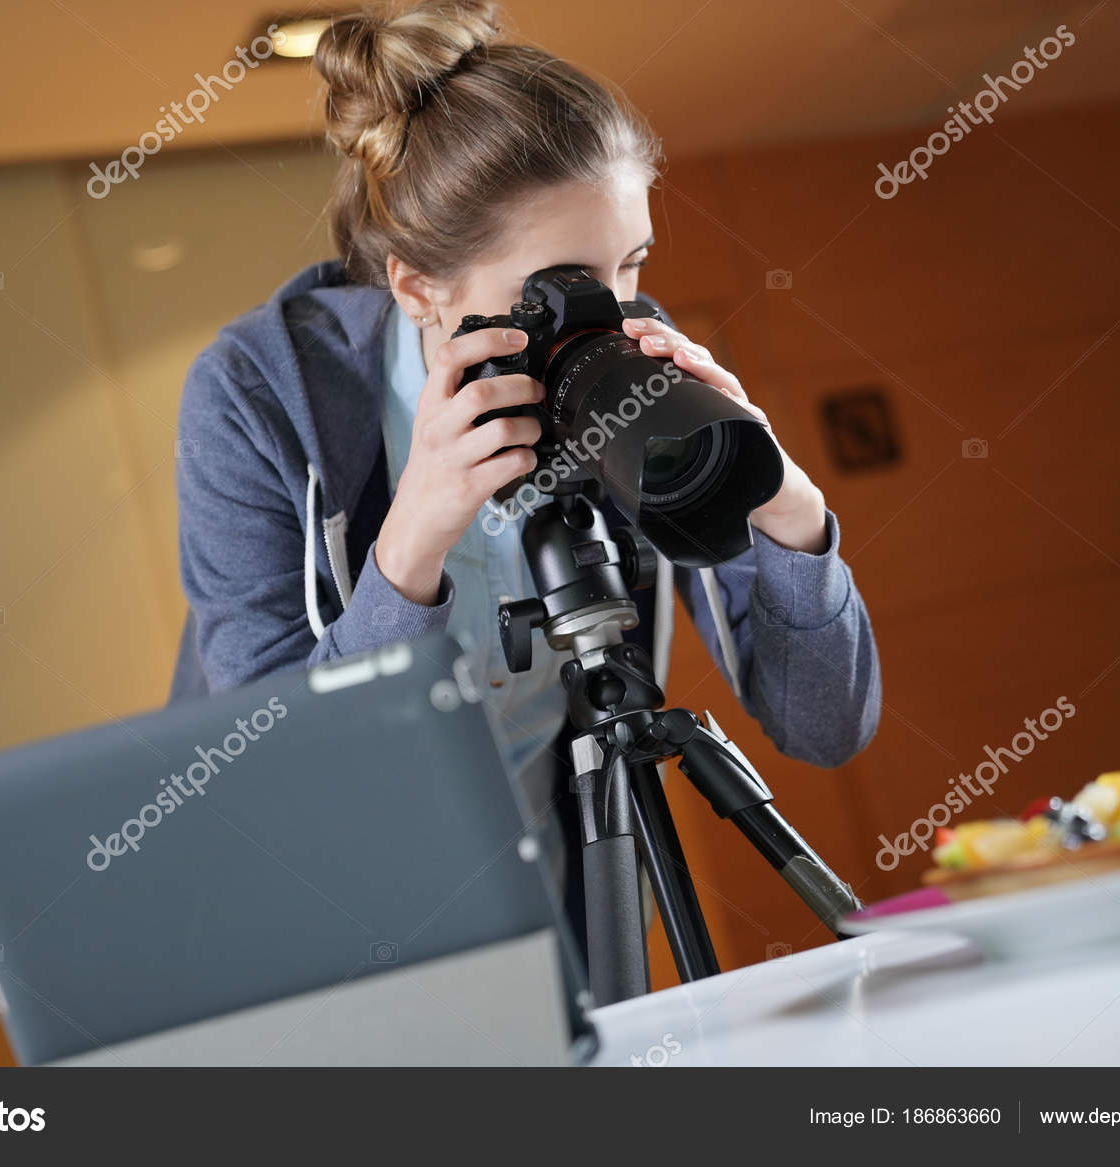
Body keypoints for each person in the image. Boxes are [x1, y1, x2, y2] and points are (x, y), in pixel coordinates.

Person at [172, 0, 880, 956]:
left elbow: (825, 725)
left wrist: (788, 507)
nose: (611, 311)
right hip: (322, 938)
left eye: (629, 264)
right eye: (562, 285)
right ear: (417, 284)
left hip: (555, 902)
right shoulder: (258, 393)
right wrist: (410, 544)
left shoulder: (628, 356)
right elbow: (283, 779)